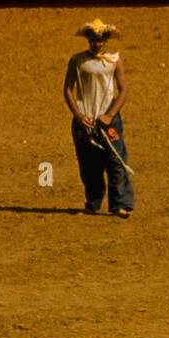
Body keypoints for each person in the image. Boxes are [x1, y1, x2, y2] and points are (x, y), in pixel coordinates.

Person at [63, 18, 134, 217]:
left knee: (116, 160)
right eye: (93, 40)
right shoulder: (78, 61)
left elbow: (123, 90)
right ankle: (92, 204)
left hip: (108, 119)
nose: (97, 44)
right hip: (84, 120)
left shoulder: (114, 60)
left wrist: (110, 115)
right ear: (88, 40)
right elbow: (68, 89)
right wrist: (78, 115)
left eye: (101, 40)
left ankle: (119, 204)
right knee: (88, 164)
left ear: (106, 40)